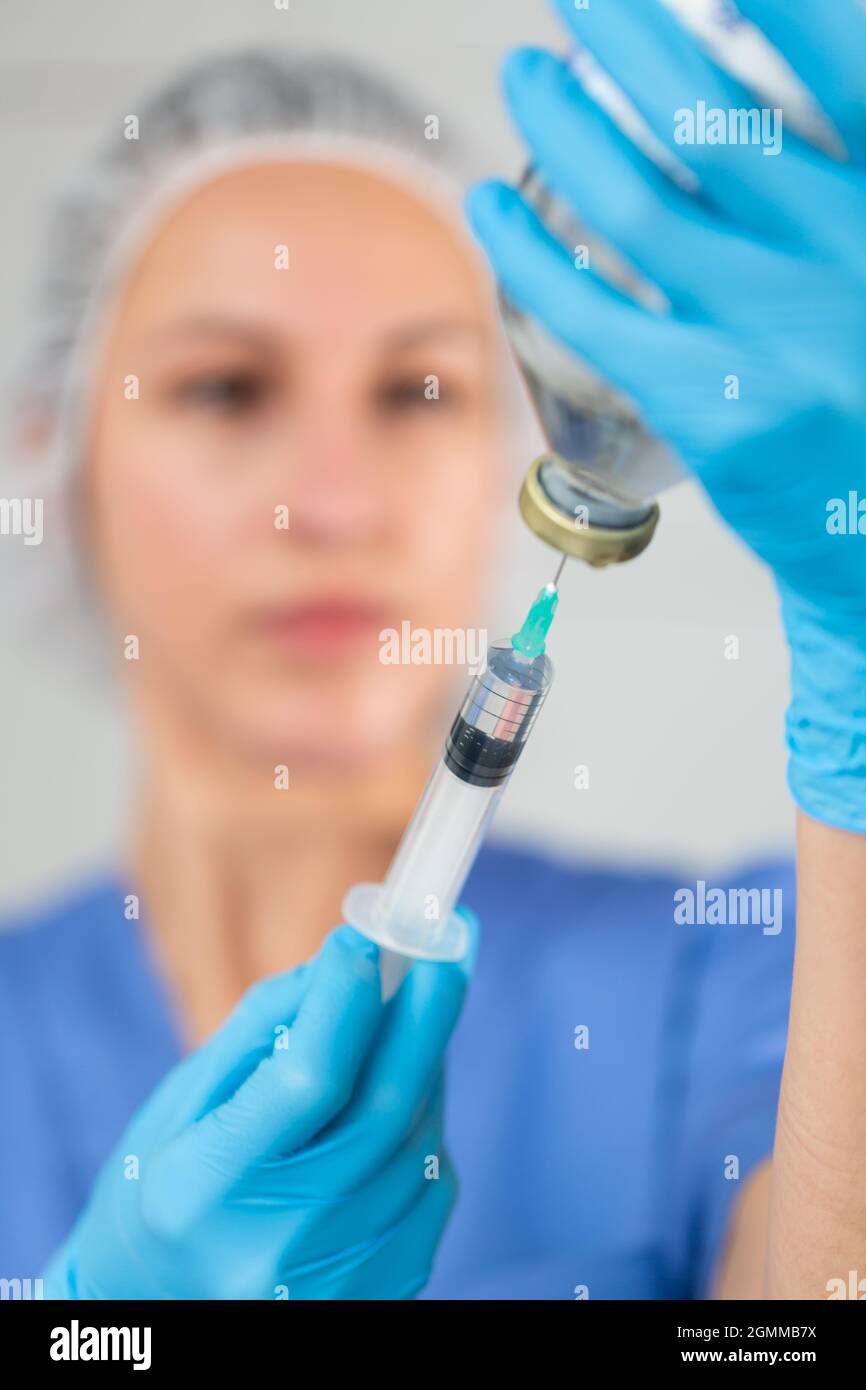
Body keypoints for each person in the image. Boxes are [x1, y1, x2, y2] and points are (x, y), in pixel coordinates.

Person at [0, 0, 863, 1300]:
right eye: (226, 386)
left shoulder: (743, 972)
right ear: (54, 459)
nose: (333, 502)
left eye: (419, 390)